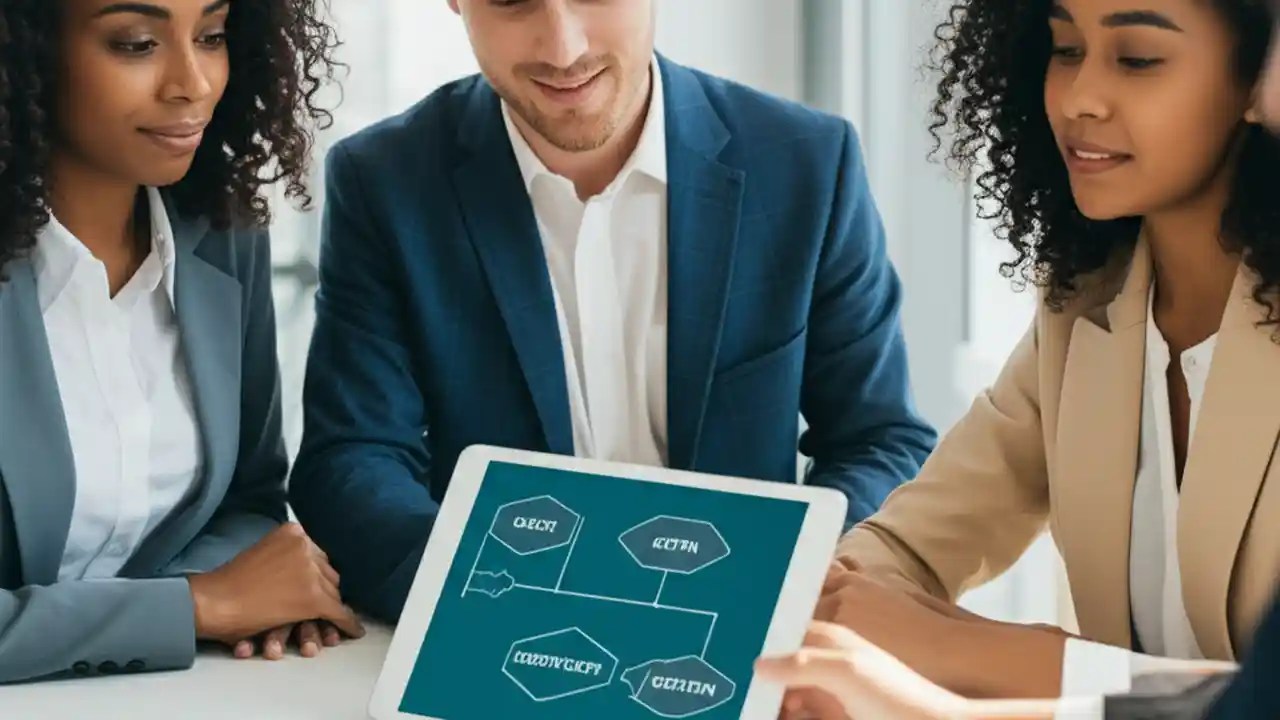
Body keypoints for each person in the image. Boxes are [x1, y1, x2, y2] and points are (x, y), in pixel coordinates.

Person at [288, 0, 936, 622]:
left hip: (739, 624)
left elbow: (880, 439)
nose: (564, 49)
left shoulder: (807, 162)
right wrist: (484, 586)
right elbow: (352, 461)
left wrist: (790, 580)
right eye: (512, 1)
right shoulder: (383, 181)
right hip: (504, 618)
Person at [758, 2, 1280, 717]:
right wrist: (826, 621)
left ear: (1263, 76)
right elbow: (915, 540)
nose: (1079, 98)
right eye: (1065, 50)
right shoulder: (1086, 303)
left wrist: (1000, 655)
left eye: (1137, 60)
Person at [0, 0, 364, 684]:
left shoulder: (223, 237)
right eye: (137, 43)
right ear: (25, 51)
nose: (192, 81)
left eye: (212, 35)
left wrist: (267, 585)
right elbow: (208, 598)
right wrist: (198, 606)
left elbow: (248, 497)